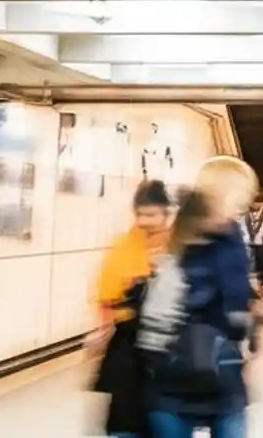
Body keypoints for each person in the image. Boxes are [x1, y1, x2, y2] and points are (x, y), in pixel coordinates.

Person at [138, 156, 257, 438]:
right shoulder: (225, 241)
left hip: (178, 370)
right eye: (240, 200)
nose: (242, 209)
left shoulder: (180, 234)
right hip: (209, 369)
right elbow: (234, 307)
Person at [90, 180, 172, 438]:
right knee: (125, 420)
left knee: (161, 420)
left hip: (166, 349)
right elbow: (106, 296)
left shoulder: (179, 247)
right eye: (140, 214)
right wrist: (103, 329)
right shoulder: (123, 246)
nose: (145, 221)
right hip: (128, 348)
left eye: (152, 214)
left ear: (166, 213)